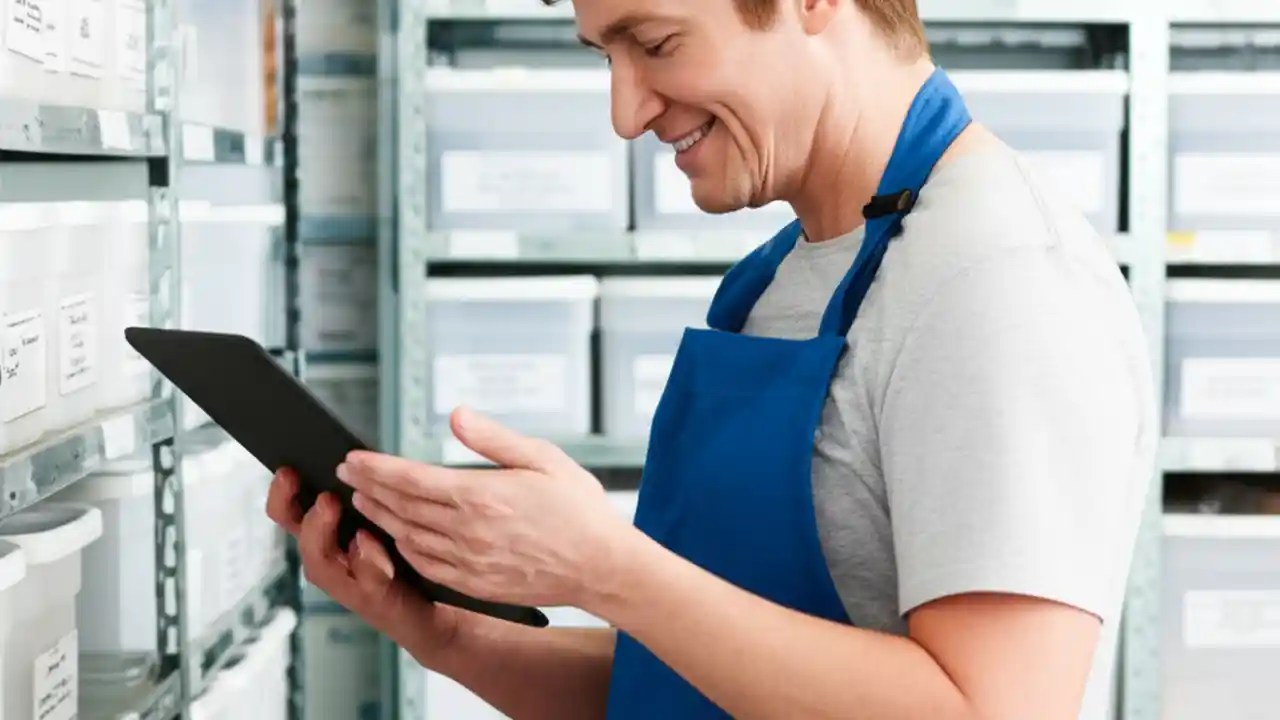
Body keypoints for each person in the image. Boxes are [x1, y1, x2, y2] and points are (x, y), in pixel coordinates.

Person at [267, 0, 1158, 717]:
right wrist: (441, 633)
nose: (625, 113)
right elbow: (695, 681)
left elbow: (993, 709)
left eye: (655, 42)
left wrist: (605, 568)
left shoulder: (995, 281)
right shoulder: (785, 278)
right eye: (602, 56)